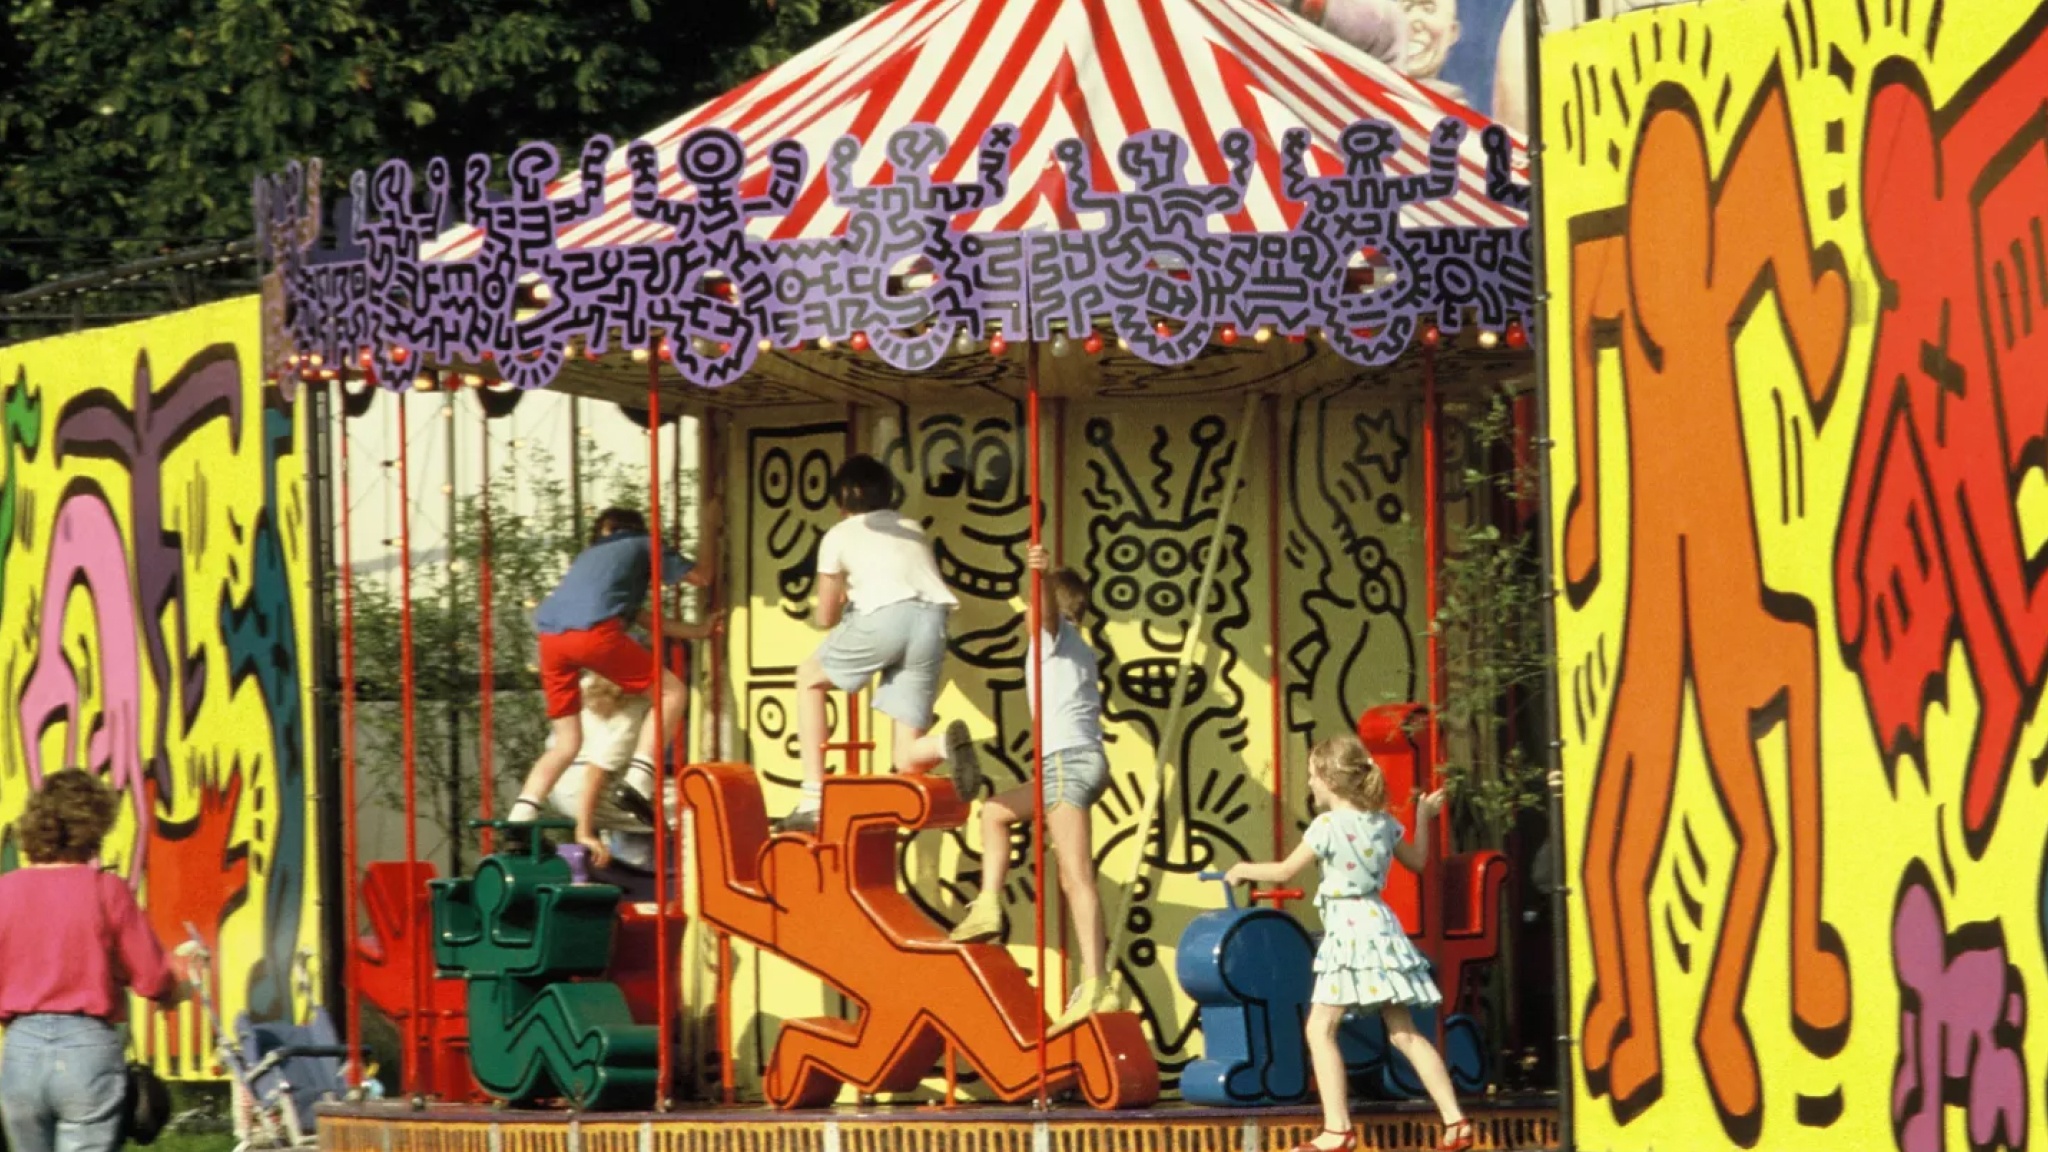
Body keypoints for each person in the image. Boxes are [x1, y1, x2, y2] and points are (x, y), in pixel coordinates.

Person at [1225, 736, 1471, 1152]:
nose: (1310, 785)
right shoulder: (1384, 824)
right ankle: (1456, 1120)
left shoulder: (1327, 827)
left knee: (1320, 1028)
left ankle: (1337, 1129)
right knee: (1405, 1032)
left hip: (1349, 933)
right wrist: (1423, 816)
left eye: (1311, 776)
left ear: (1329, 779)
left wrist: (1242, 869)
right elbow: (1417, 861)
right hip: (1383, 928)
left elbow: (1285, 871)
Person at [949, 544, 1112, 1025]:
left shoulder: (1055, 640)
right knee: (995, 812)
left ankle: (1097, 982)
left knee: (1075, 877)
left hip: (1067, 763)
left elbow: (1041, 615)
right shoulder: (1077, 647)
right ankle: (989, 905)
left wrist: (1036, 575)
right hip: (1070, 765)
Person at [775, 454, 981, 834]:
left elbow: (825, 617)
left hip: (888, 617)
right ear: (889, 495)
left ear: (841, 504)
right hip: (932, 623)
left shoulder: (838, 535)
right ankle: (943, 746)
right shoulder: (911, 526)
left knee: (808, 677)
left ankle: (812, 797)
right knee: (905, 757)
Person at [510, 506, 718, 863]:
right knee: (673, 692)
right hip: (595, 635)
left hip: (550, 641)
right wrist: (712, 528)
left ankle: (521, 813)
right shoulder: (644, 544)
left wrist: (698, 632)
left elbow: (646, 619)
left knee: (567, 741)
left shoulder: (591, 562)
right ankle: (640, 777)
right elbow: (702, 577)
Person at [0, 770, 190, 1152]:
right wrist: (179, 975)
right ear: (94, 826)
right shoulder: (107, 892)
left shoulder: (6, 891)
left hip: (20, 1049)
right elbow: (152, 979)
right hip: (87, 1049)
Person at [544, 672, 675, 885]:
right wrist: (584, 832)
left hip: (561, 777)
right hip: (582, 787)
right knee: (685, 808)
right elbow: (595, 772)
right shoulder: (628, 714)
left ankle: (638, 868)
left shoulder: (589, 683)